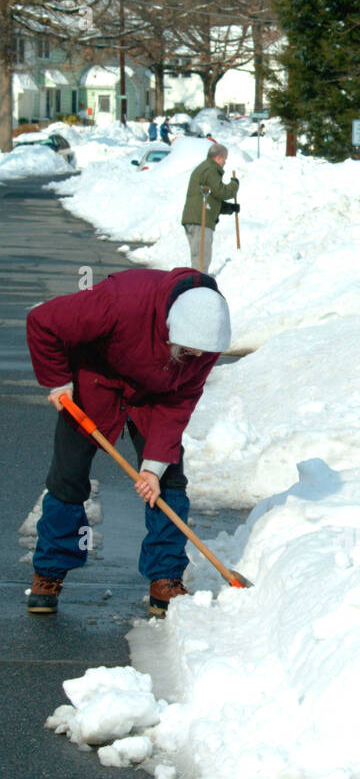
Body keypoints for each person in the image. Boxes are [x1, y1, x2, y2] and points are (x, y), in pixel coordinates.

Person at [26, 267, 231, 618]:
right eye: (191, 349)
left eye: (203, 352)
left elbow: (179, 402)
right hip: (95, 379)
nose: (198, 357)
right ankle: (50, 570)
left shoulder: (208, 337)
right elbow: (43, 322)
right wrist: (59, 382)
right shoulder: (119, 302)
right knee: (68, 477)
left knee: (168, 482)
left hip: (156, 395)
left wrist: (152, 468)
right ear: (171, 328)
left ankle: (165, 578)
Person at [181, 142, 239, 273]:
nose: (225, 163)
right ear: (219, 157)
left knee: (200, 258)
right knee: (201, 261)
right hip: (200, 220)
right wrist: (234, 185)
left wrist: (230, 208)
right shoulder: (210, 170)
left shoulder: (205, 169)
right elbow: (221, 192)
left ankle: (198, 284)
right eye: (225, 159)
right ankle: (198, 287)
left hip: (197, 218)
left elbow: (211, 198)